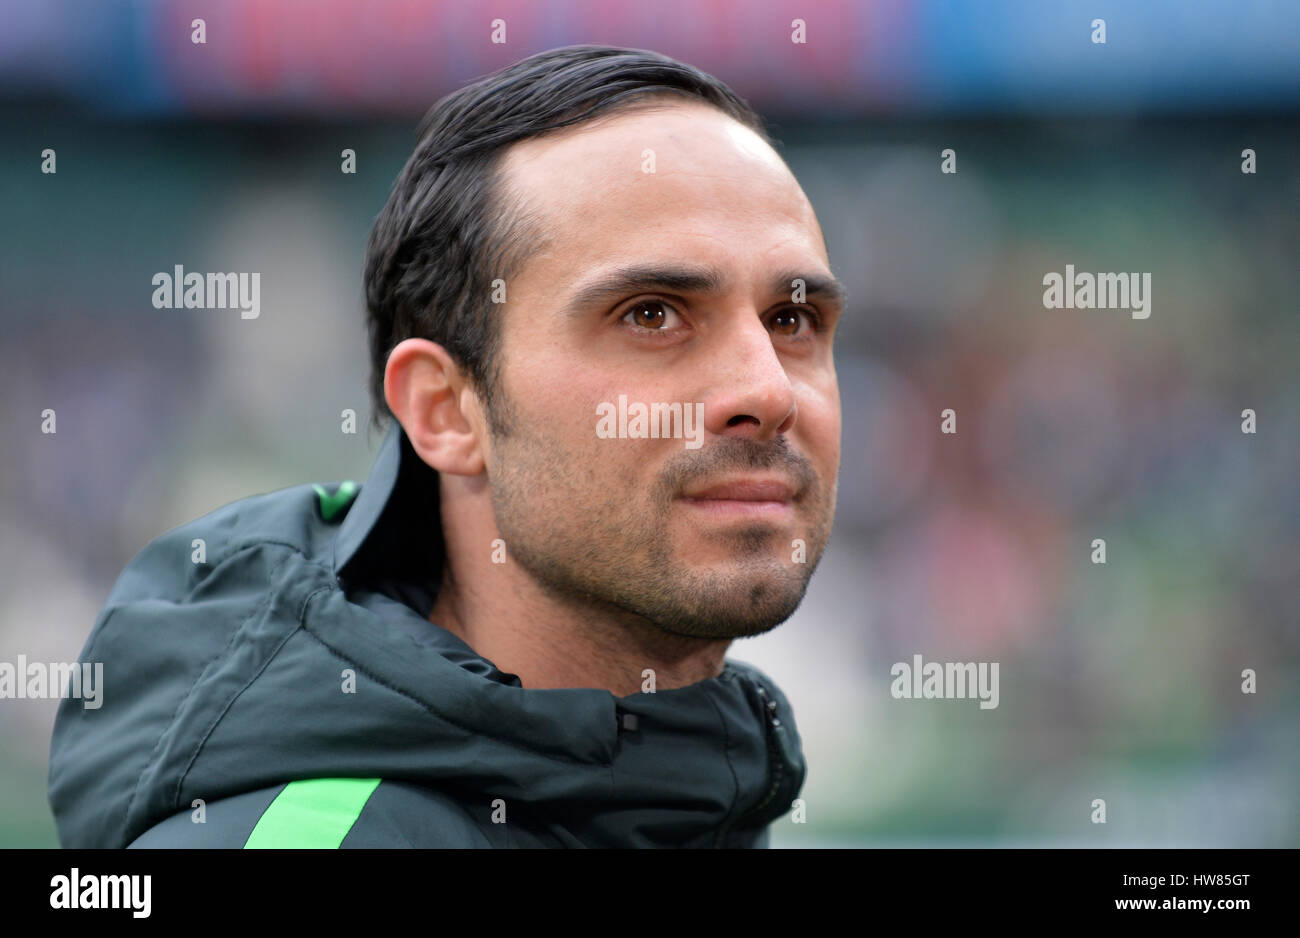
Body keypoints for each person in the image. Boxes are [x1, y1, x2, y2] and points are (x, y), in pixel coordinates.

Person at [48, 44, 844, 848]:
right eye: (650, 314)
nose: (769, 390)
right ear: (444, 412)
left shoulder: (696, 796)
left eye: (793, 320)